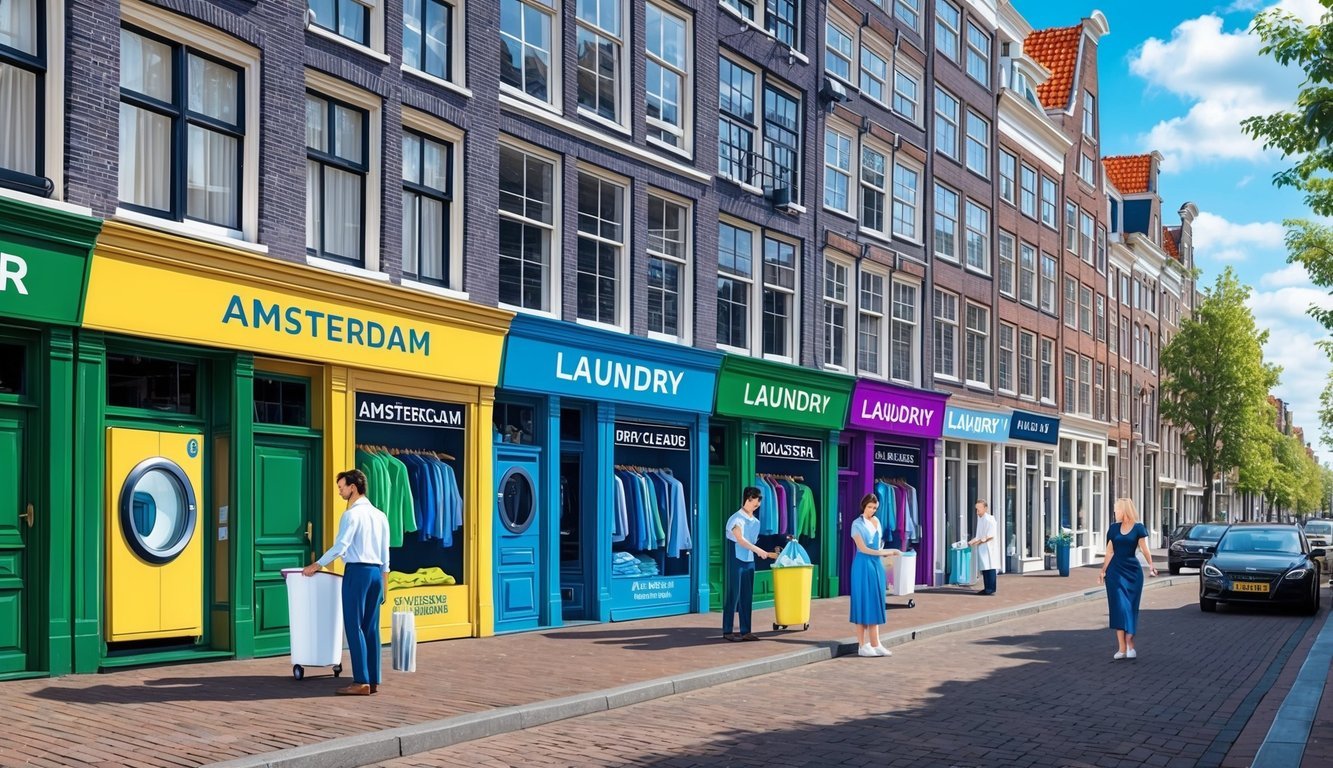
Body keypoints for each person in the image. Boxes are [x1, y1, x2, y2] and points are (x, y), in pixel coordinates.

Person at [303, 469, 391, 695]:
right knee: (371, 627)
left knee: (354, 626)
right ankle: (373, 680)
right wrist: (385, 583)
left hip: (357, 572)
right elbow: (385, 554)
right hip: (376, 575)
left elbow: (341, 547)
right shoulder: (380, 515)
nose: (340, 491)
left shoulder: (351, 515)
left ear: (353, 487)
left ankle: (360, 681)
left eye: (342, 487)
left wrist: (317, 564)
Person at [1098, 497, 1158, 659]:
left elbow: (1145, 549)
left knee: (1130, 607)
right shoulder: (1113, 529)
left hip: (1133, 572)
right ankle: (1122, 648)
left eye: (1116, 509)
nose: (1114, 512)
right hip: (1115, 572)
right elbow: (1109, 551)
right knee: (1119, 606)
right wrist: (1103, 570)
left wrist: (1151, 565)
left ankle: (1130, 642)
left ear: (1124, 509)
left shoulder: (1138, 528)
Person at [850, 494, 900, 657]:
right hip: (863, 564)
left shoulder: (877, 522)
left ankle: (876, 643)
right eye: (870, 507)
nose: (872, 510)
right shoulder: (856, 524)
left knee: (876, 600)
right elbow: (863, 548)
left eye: (875, 508)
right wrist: (885, 552)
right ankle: (862, 645)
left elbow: (879, 544)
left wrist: (886, 552)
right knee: (863, 601)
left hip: (876, 564)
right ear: (864, 506)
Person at [722, 486, 774, 642]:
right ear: (747, 499)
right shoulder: (736, 519)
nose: (756, 505)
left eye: (758, 503)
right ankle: (727, 630)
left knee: (747, 596)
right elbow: (740, 539)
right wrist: (760, 551)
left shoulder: (756, 522)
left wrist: (760, 551)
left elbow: (752, 540)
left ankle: (746, 631)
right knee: (733, 595)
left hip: (749, 561)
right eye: (754, 502)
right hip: (736, 559)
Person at [968, 500, 1000, 595]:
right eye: (976, 509)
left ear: (985, 508)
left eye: (979, 509)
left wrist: (978, 542)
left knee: (990, 568)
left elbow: (990, 535)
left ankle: (990, 589)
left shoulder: (990, 520)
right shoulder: (981, 519)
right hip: (983, 549)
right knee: (985, 568)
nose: (977, 511)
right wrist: (972, 541)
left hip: (989, 549)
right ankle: (987, 588)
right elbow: (979, 535)